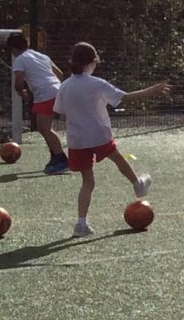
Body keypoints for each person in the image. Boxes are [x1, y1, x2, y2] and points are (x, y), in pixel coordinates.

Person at [52, 42, 166, 236]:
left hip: (76, 140)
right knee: (119, 159)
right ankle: (137, 184)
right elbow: (125, 98)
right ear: (92, 62)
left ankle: (81, 224)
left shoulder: (64, 86)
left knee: (87, 182)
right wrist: (151, 91)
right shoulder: (97, 83)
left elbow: (59, 113)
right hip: (98, 134)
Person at [6, 31, 67, 173]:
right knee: (46, 127)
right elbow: (60, 74)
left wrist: (22, 93)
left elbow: (18, 82)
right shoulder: (41, 56)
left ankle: (61, 159)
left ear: (13, 49)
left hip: (44, 94)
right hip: (56, 90)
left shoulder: (20, 59)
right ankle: (55, 157)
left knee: (45, 128)